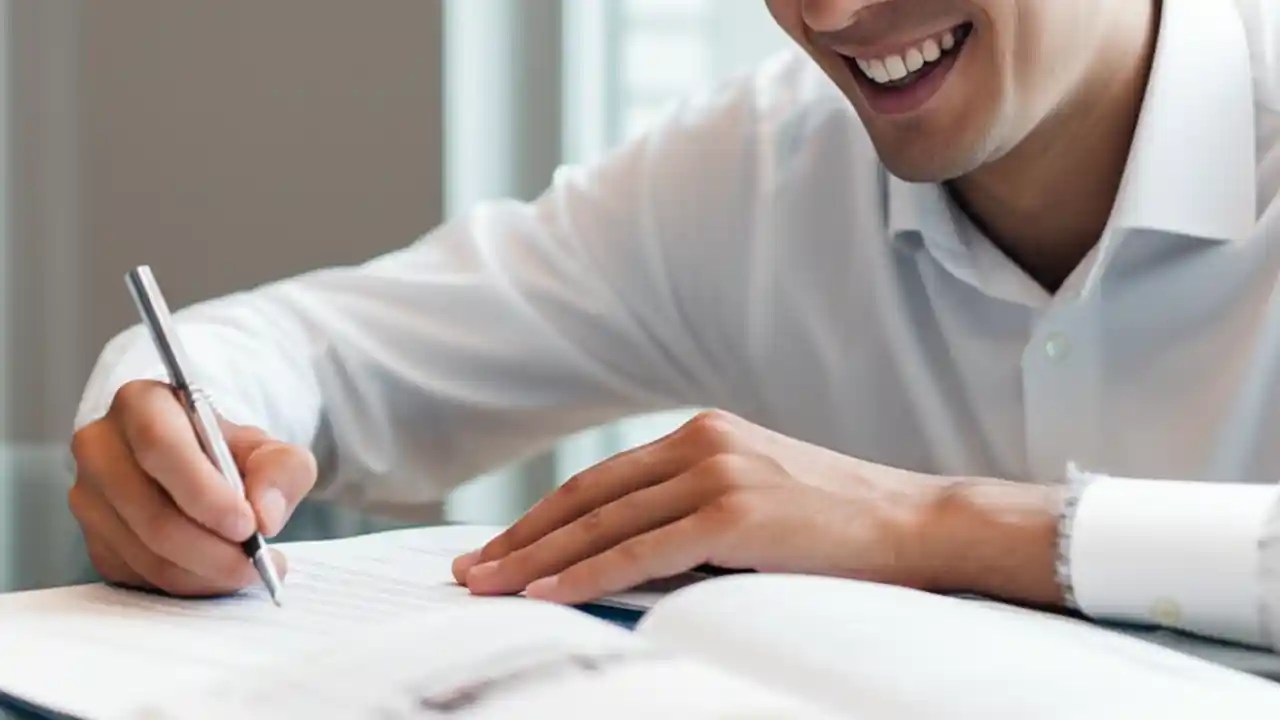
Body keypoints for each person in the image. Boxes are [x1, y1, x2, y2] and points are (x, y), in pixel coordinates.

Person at [70, 0, 1280, 650]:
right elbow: (322, 352)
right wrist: (174, 439)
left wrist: (935, 526)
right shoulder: (753, 174)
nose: (827, 9)